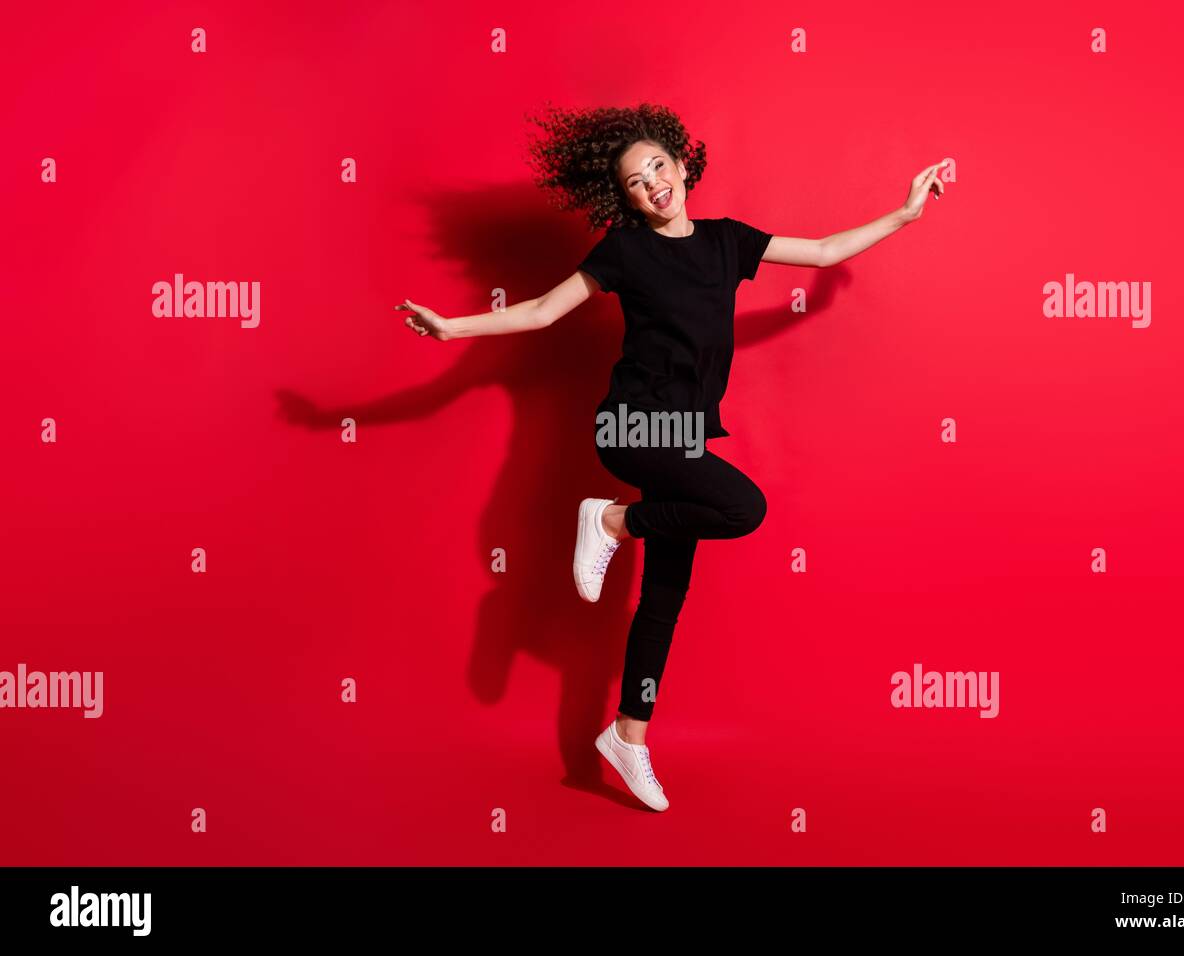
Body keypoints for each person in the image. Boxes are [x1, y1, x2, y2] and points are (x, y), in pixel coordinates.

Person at [396, 102, 948, 811]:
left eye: (658, 166)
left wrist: (903, 215)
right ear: (623, 199)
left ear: (684, 167)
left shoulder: (727, 243)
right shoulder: (625, 251)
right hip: (629, 427)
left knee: (663, 598)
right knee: (743, 506)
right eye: (633, 181)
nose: (651, 183)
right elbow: (539, 309)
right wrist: (452, 328)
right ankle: (612, 523)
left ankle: (628, 735)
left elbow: (820, 251)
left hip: (682, 441)